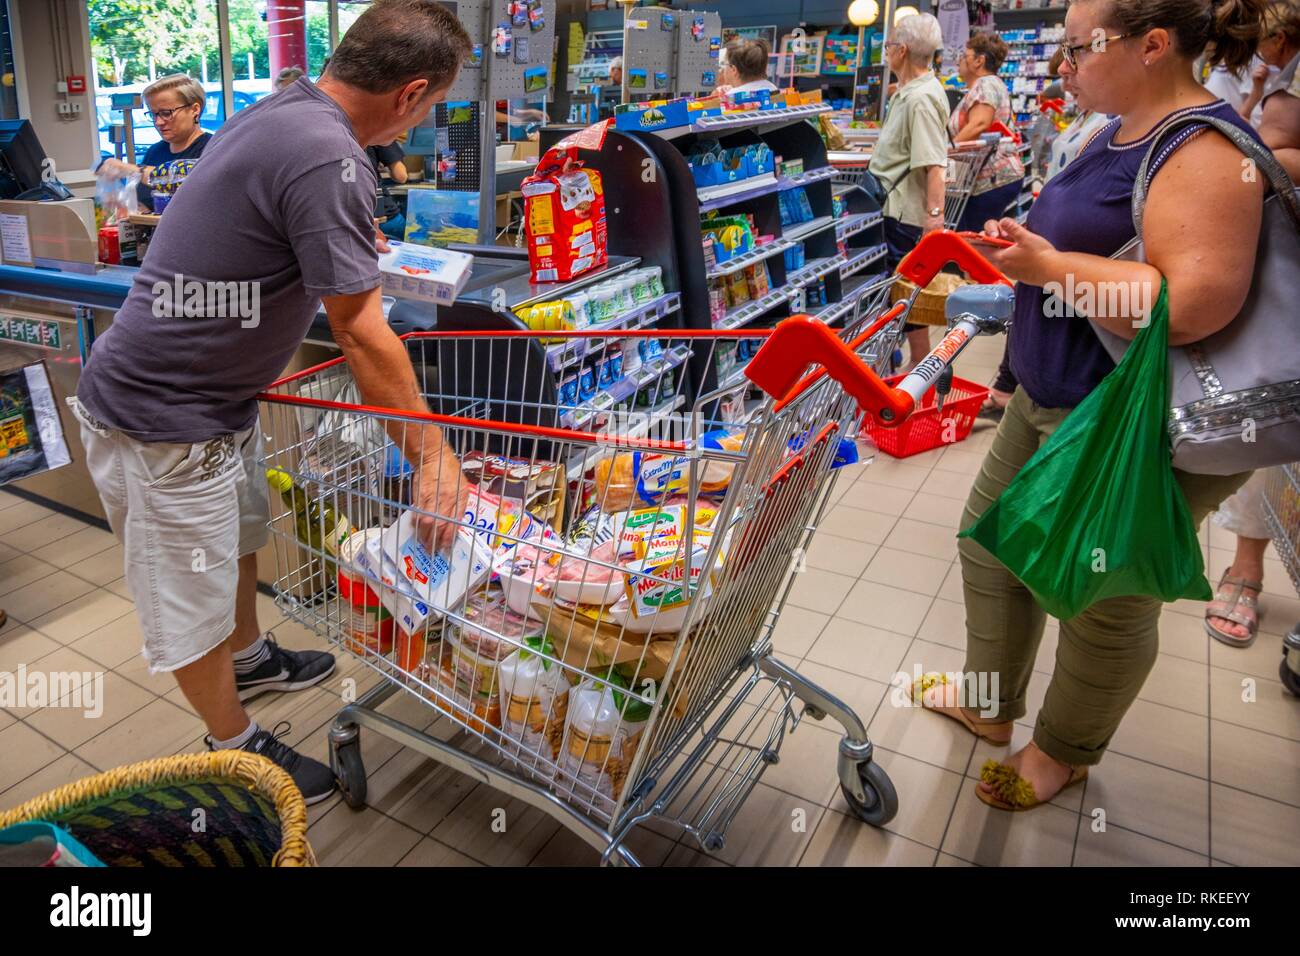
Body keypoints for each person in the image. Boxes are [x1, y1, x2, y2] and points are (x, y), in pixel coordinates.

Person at [71, 0, 473, 804]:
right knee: (188, 591)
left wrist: (347, 240)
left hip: (222, 402)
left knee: (243, 532)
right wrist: (434, 460)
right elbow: (359, 331)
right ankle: (236, 749)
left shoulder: (289, 105)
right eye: (432, 107)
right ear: (411, 93)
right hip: (162, 416)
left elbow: (274, 226)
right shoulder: (330, 156)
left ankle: (250, 659)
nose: (425, 120)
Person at [912, 0, 1267, 810]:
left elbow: (1190, 305)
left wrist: (1049, 269)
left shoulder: (1206, 148)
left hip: (1122, 423)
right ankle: (990, 704)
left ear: (1151, 45)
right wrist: (1029, 258)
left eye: (1081, 46)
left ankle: (1063, 752)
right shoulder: (1114, 128)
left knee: (1100, 595)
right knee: (988, 547)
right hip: (1051, 392)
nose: (1065, 62)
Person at [867, 13, 950, 371]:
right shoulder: (911, 92)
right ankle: (915, 365)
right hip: (894, 207)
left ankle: (922, 369)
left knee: (907, 296)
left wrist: (935, 221)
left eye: (888, 46)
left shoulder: (921, 99)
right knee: (902, 294)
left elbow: (935, 164)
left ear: (901, 50)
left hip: (904, 213)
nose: (886, 53)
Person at [98, 74, 211, 212]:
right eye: (154, 114)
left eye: (166, 113)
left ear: (194, 110)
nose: (159, 122)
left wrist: (135, 171)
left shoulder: (212, 150)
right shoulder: (155, 152)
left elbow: (187, 184)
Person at [949, 32, 1025, 233]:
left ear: (979, 61)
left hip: (991, 178)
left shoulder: (985, 84)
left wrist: (947, 151)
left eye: (964, 57)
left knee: (975, 242)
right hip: (996, 176)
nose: (960, 62)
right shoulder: (992, 83)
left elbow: (979, 124)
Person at [1241, 0, 1300, 177]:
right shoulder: (1287, 75)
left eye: (1259, 42)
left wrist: (1246, 174)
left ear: (1280, 39)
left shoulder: (1294, 79)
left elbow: (1268, 158)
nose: (1258, 51)